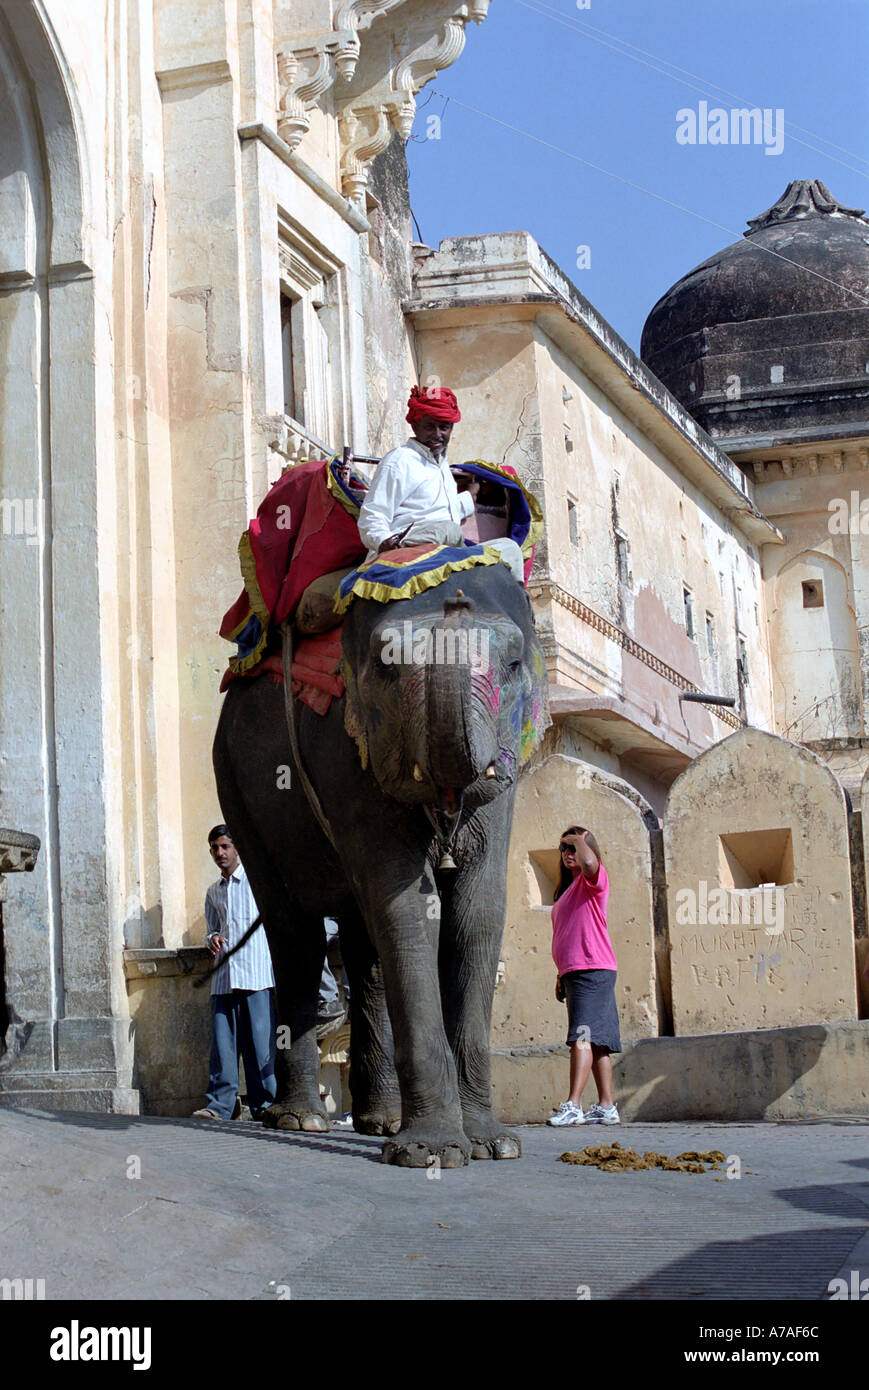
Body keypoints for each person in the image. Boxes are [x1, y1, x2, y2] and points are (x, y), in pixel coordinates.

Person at [356, 385, 524, 581]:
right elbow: (372, 515)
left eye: (443, 427)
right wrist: (384, 542)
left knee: (509, 550)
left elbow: (442, 510)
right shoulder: (399, 461)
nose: (437, 434)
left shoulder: (442, 466)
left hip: (447, 546)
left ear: (451, 429)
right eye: (429, 427)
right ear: (415, 426)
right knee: (448, 530)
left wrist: (473, 495)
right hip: (407, 546)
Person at [192, 825, 277, 1121]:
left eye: (225, 847)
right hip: (224, 979)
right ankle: (219, 1106)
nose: (220, 853)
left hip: (256, 976)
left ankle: (265, 1106)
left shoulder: (258, 883)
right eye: (215, 848)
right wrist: (211, 938)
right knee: (223, 1050)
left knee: (260, 1047)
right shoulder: (214, 892)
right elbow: (212, 929)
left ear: (237, 848)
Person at [547, 826, 621, 1127]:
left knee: (583, 1036)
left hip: (592, 969)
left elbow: (590, 864)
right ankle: (606, 1107)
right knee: (598, 1042)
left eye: (573, 848)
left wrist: (580, 838)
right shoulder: (567, 890)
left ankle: (573, 1105)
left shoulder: (594, 880)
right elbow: (566, 934)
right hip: (577, 971)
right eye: (563, 849)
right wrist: (560, 974)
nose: (568, 853)